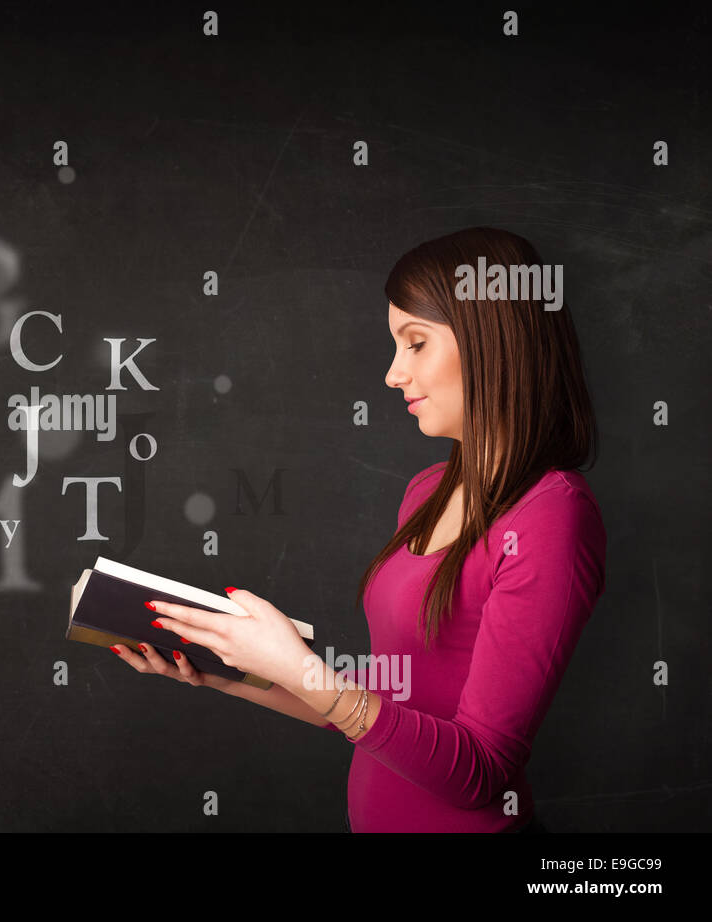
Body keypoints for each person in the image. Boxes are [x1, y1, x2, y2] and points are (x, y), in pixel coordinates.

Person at [110, 227, 606, 833]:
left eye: (415, 344)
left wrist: (304, 670)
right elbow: (382, 708)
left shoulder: (553, 515)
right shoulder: (427, 490)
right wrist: (221, 666)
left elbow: (479, 773)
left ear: (492, 342)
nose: (393, 374)